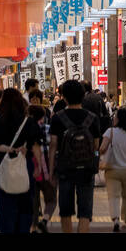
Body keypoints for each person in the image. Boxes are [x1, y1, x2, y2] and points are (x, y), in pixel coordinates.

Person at [49, 79, 103, 233]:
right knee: (85, 212)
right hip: (86, 168)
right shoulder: (92, 118)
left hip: (65, 168)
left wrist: (51, 171)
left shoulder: (58, 118)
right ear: (82, 96)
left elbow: (53, 145)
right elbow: (96, 146)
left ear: (64, 97)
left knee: (65, 210)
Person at [0, 88, 43, 233]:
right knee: (26, 205)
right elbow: (36, 145)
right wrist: (38, 167)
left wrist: (9, 150)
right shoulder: (29, 122)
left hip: (4, 164)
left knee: (6, 206)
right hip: (26, 164)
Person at [100, 107, 126, 231]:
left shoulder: (110, 132)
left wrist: (101, 152)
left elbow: (102, 148)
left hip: (112, 169)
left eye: (116, 116)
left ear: (119, 118)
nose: (114, 118)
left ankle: (116, 220)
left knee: (113, 196)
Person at [27, 103, 57, 232]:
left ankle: (33, 226)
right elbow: (55, 148)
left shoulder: (25, 130)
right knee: (51, 199)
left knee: (33, 200)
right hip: (47, 166)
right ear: (43, 117)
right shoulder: (49, 129)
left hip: (31, 167)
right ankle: (44, 220)